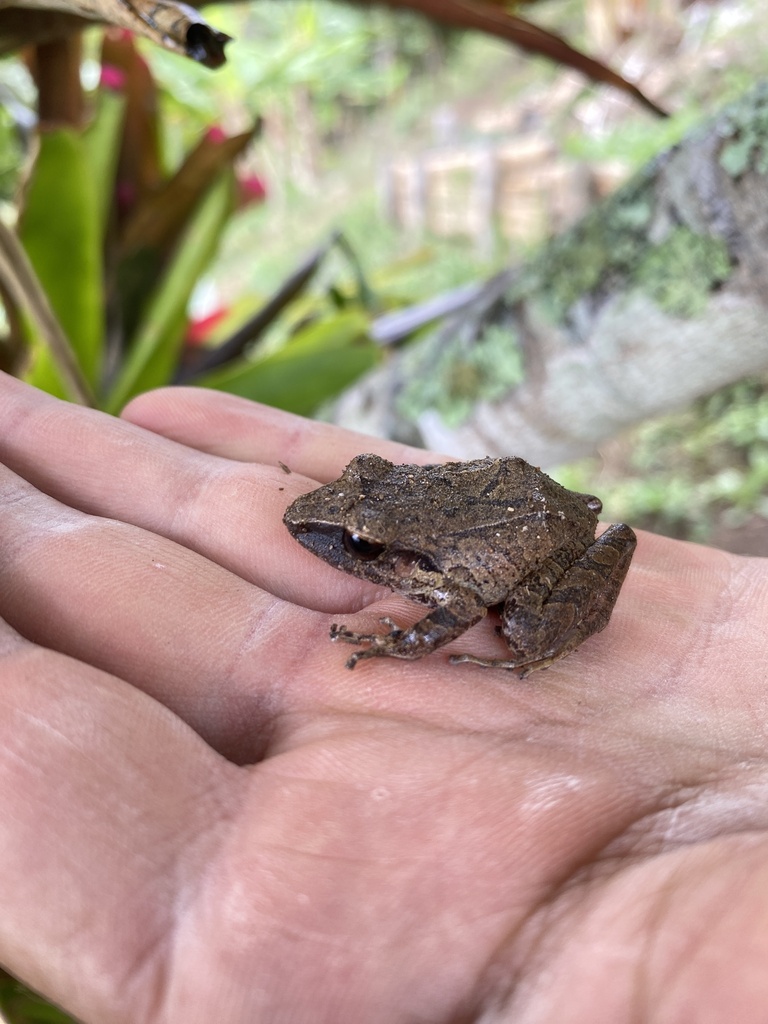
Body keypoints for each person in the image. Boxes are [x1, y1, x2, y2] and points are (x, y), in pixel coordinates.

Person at [0, 370, 765, 1024]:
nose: (330, 533)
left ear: (392, 554)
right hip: (534, 500)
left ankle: (540, 645)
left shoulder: (435, 570)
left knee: (523, 627)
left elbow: (459, 603)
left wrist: (404, 643)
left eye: (360, 543)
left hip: (541, 538)